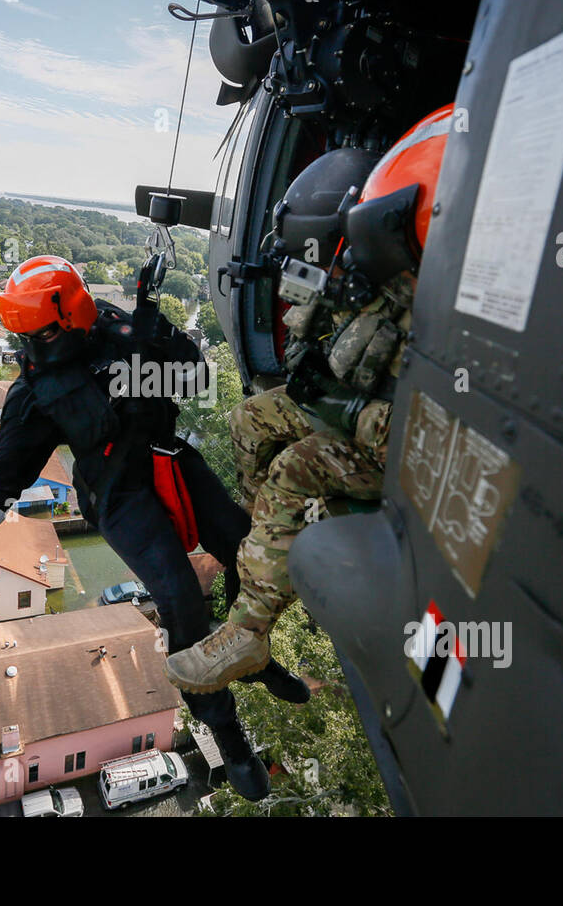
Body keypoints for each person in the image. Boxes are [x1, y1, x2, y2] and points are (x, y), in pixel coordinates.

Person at [0, 255, 308, 801]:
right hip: (117, 492)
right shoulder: (37, 393)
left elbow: (196, 377)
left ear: (74, 314)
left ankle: (253, 654)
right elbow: (0, 479)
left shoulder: (115, 327)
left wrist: (164, 337)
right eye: (23, 338)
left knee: (249, 553)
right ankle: (228, 733)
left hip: (167, 456)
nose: (33, 350)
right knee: (179, 599)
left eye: (43, 333)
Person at [165, 105, 452, 694]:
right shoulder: (387, 271)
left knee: (292, 470)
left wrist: (341, 411)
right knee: (248, 419)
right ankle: (261, 542)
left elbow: (434, 437)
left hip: (400, 448)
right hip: (351, 405)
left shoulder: (455, 314)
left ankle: (249, 631)